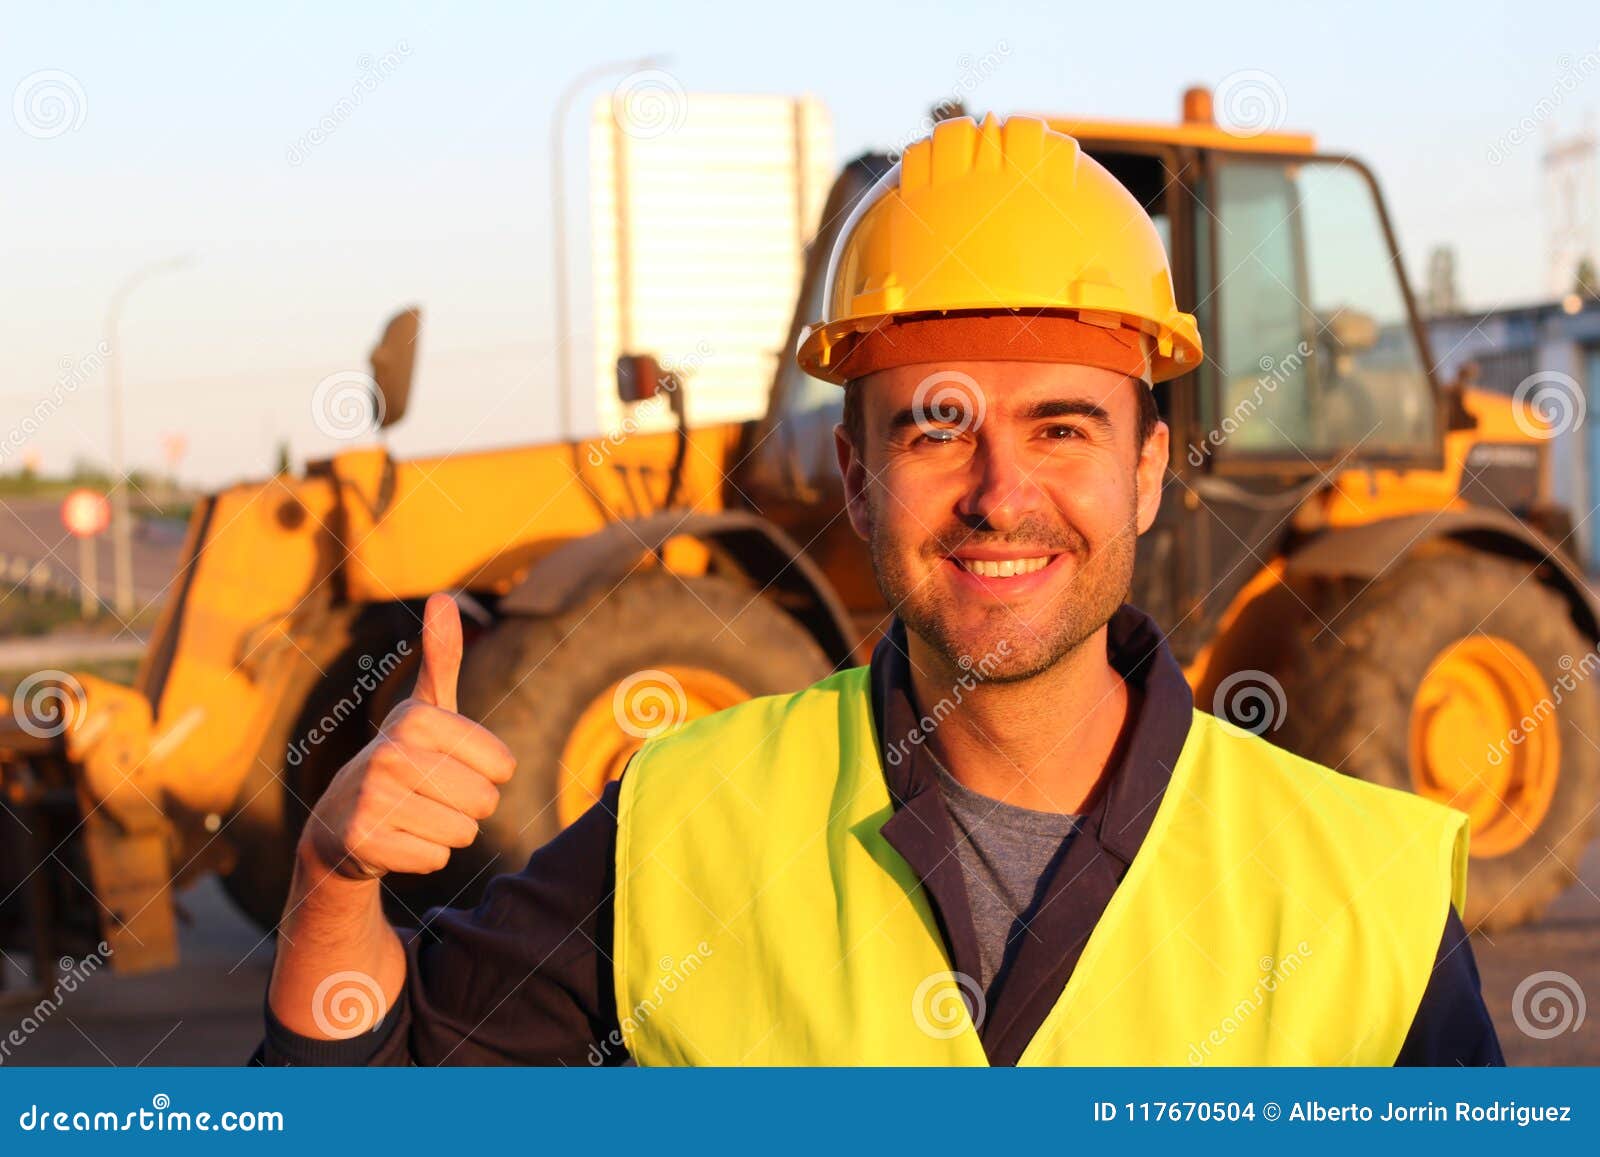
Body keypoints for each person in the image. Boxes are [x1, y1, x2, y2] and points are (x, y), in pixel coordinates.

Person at [259, 114, 1501, 1066]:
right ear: (853, 478)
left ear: (1148, 469)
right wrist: (335, 879)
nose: (1000, 491)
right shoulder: (684, 824)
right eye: (935, 430)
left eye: (1061, 427)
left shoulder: (1365, 895)